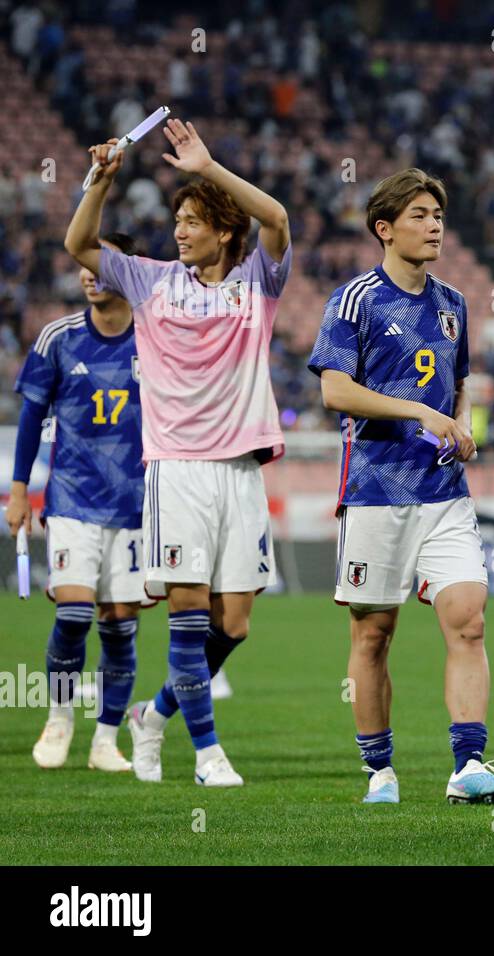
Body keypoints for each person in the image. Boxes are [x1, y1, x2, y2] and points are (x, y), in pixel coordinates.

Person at [64, 119, 292, 787]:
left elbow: (275, 216)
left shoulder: (259, 283)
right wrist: (97, 181)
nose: (181, 230)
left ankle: (153, 716)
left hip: (243, 471)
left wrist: (210, 168)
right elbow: (78, 242)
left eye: (194, 220)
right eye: (178, 219)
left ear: (224, 230)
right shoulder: (149, 281)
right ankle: (207, 755)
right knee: (188, 619)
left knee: (236, 625)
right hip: (179, 470)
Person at [309, 168, 494, 806]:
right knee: (374, 634)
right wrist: (420, 413)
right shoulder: (355, 301)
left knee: (469, 620)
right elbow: (334, 391)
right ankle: (380, 771)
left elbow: (457, 387)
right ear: (384, 228)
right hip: (374, 490)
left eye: (438, 216)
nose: (435, 226)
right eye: (422, 215)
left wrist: (462, 426)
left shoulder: (453, 303)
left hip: (443, 492)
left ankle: (470, 764)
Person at [8, 233, 144, 773]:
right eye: (82, 265)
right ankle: (60, 718)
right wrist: (20, 491)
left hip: (137, 508)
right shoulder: (57, 338)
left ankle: (106, 738)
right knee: (73, 614)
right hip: (72, 501)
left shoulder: (156, 339)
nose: (87, 274)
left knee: (119, 626)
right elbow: (28, 418)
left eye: (99, 264)